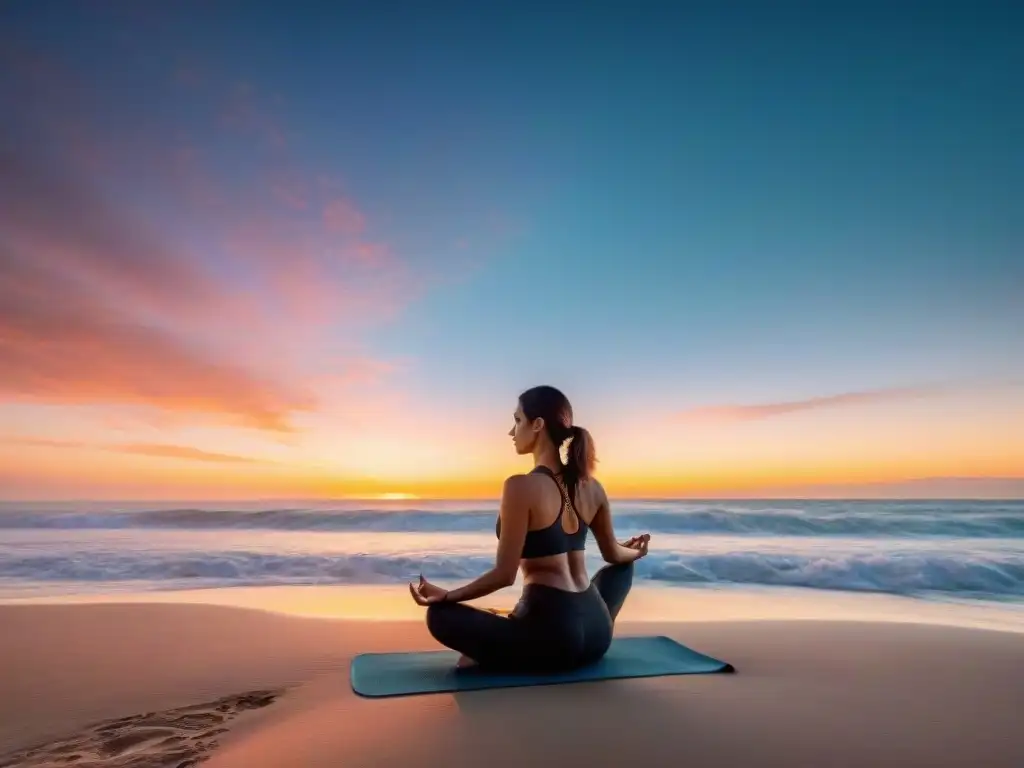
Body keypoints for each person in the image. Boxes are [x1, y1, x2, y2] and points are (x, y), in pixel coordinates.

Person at [409, 385, 651, 673]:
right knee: (622, 569)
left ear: (537, 425)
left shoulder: (519, 487)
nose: (512, 432)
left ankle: (495, 651)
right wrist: (635, 552)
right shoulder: (593, 487)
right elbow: (613, 555)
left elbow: (504, 576)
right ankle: (523, 632)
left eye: (517, 420)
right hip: (598, 635)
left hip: (552, 640)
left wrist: (447, 596)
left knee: (439, 616)